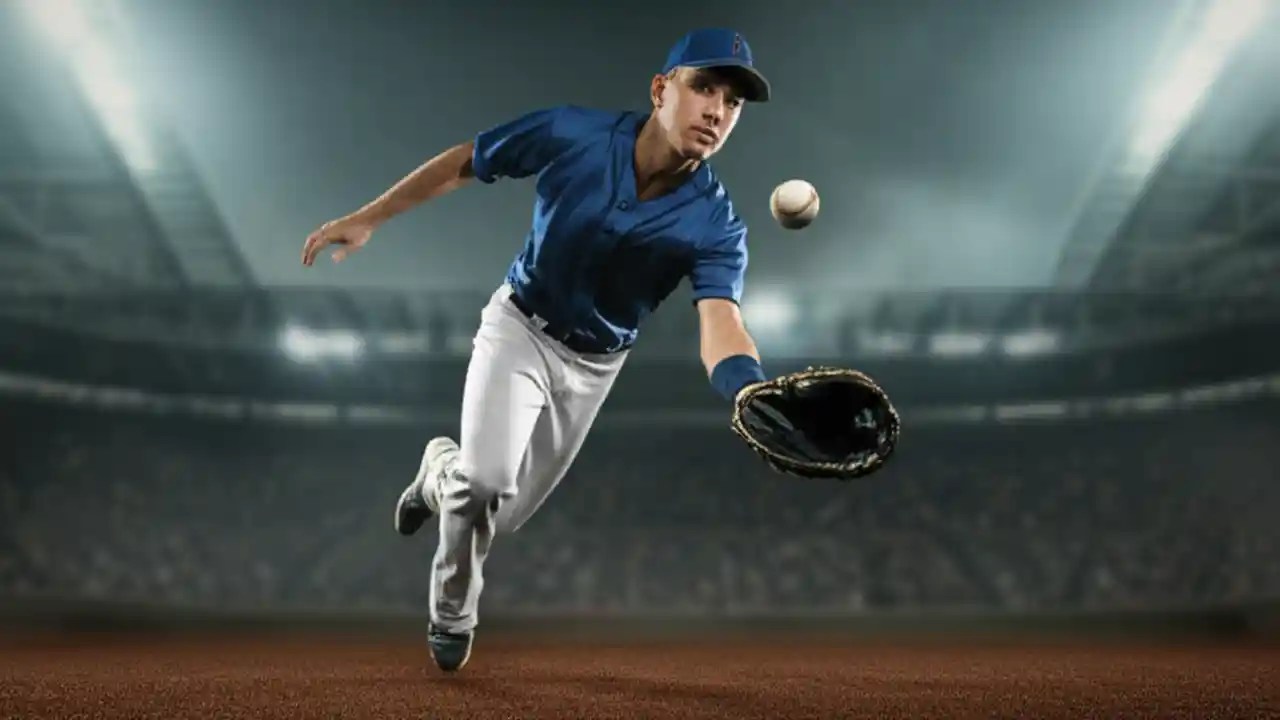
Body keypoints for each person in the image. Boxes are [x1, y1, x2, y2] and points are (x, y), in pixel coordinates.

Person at [301, 28, 773, 672]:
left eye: (735, 102)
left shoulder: (718, 224)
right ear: (662, 89)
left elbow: (721, 321)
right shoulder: (574, 133)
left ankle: (439, 469)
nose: (718, 110)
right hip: (519, 328)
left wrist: (745, 387)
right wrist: (372, 216)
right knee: (488, 484)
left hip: (595, 364)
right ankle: (452, 613)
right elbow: (469, 160)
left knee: (502, 510)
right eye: (704, 88)